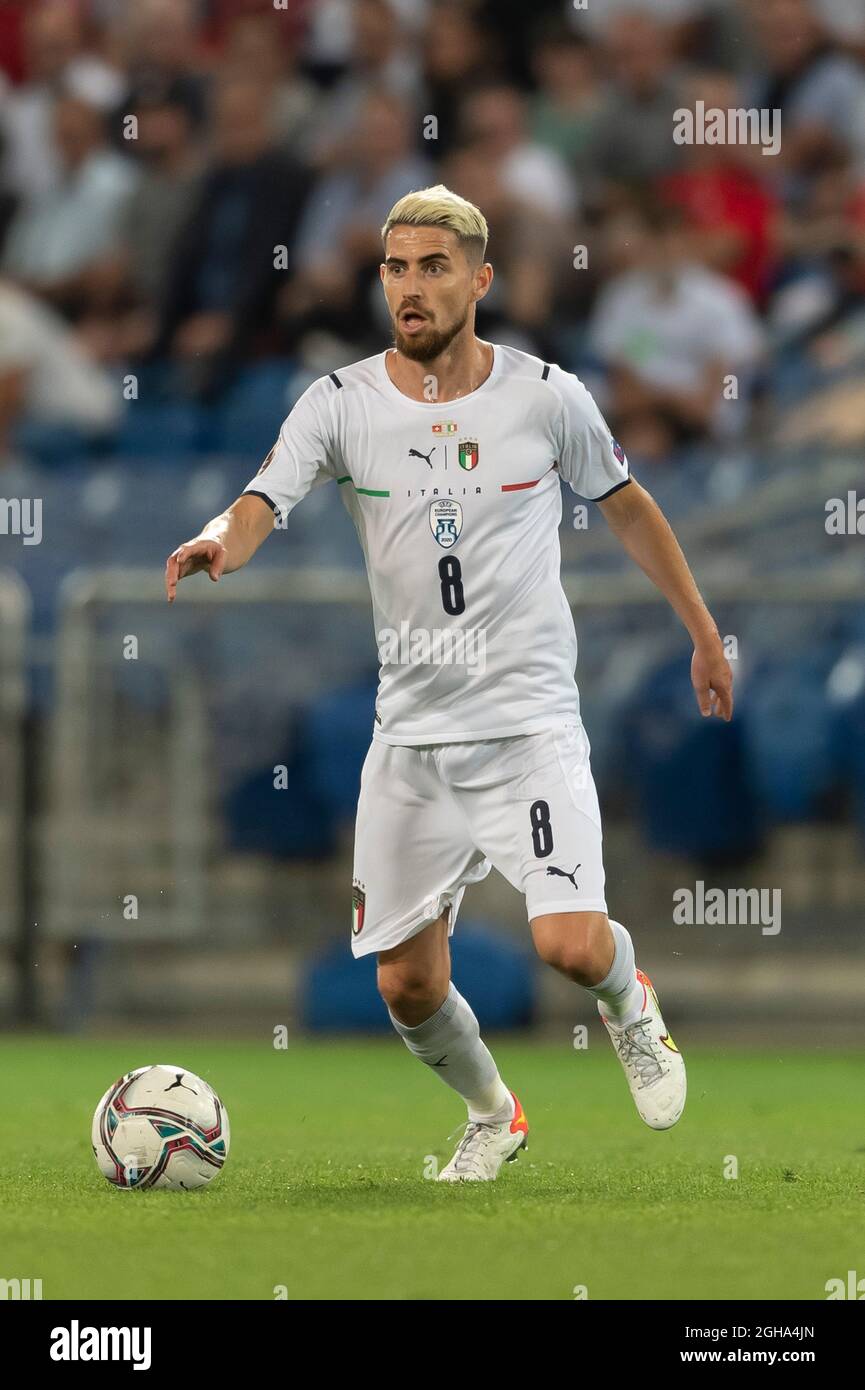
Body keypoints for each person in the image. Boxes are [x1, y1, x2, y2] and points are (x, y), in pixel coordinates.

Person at [165, 185, 733, 1182]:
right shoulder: (339, 401)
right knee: (407, 985)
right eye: (395, 267)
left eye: (433, 266)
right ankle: (492, 1112)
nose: (411, 286)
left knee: (565, 943)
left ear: (480, 280)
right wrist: (219, 539)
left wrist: (700, 631)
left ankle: (628, 1003)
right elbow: (263, 496)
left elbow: (630, 506)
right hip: (413, 735)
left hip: (527, 724)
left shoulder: (546, 394)